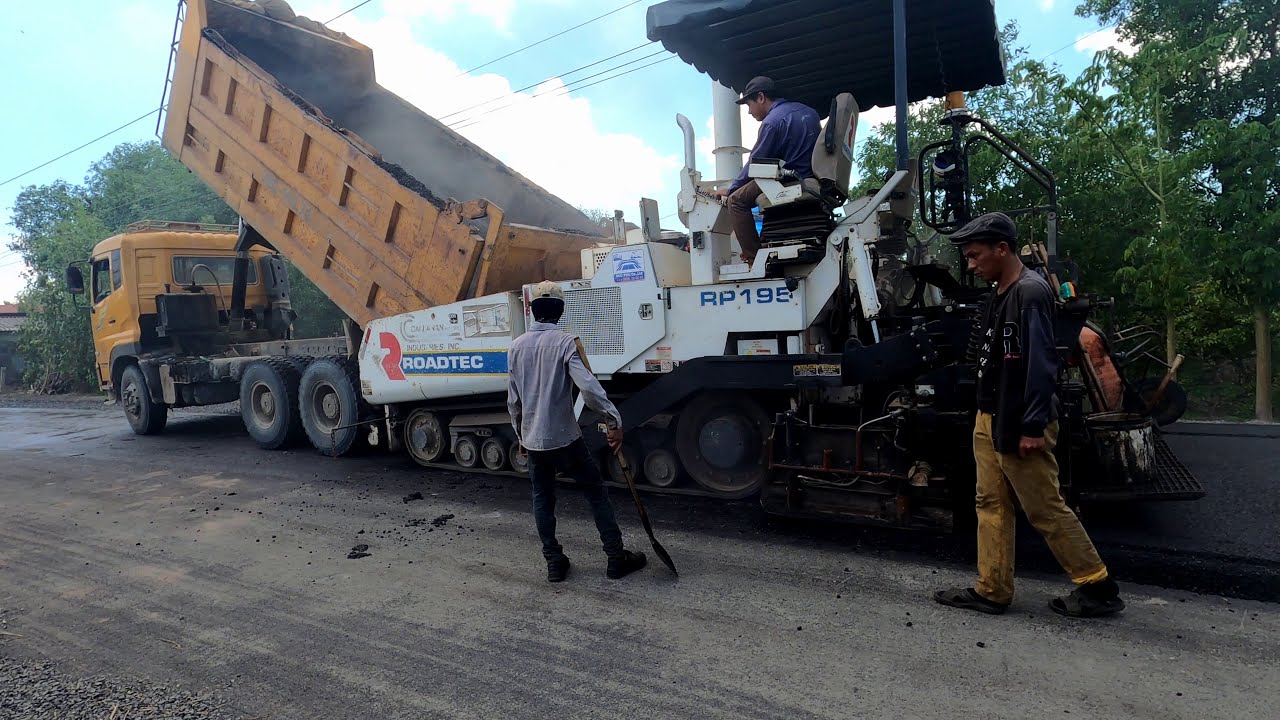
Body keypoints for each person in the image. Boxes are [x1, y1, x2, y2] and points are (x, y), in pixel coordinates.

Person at [934, 212, 1125, 618]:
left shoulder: (1030, 293)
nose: (970, 265)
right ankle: (992, 589)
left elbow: (1041, 366)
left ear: (1002, 249)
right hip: (991, 417)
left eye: (974, 255)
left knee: (1044, 506)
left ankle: (1098, 586)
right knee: (990, 501)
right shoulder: (1002, 291)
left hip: (1020, 421)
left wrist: (1033, 424)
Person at [507, 280, 647, 583]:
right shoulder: (567, 342)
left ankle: (554, 562)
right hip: (566, 439)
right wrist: (613, 421)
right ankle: (615, 557)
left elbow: (513, 401)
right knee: (596, 493)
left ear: (531, 310)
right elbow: (589, 389)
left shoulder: (516, 347)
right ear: (560, 311)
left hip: (534, 442)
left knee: (542, 498)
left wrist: (521, 437)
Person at [713, 76, 821, 267]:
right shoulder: (809, 112)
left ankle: (755, 261)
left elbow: (754, 165)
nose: (748, 112)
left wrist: (730, 190)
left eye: (749, 104)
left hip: (790, 180)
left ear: (761, 97)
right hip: (810, 175)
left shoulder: (772, 122)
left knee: (736, 201)